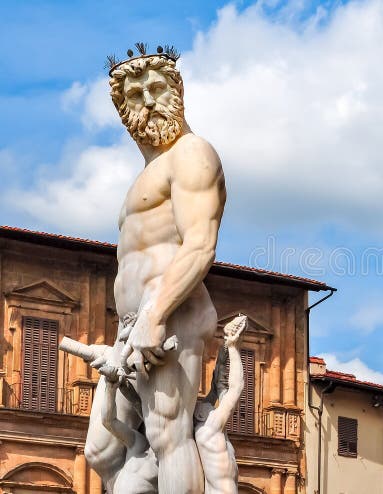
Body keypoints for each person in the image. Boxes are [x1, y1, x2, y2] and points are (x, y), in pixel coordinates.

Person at [84, 47, 227, 493]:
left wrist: (156, 313)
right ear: (122, 109)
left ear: (177, 90)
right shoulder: (145, 174)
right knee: (103, 450)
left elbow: (201, 243)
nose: (146, 99)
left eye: (155, 87)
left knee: (169, 435)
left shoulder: (193, 153)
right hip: (131, 326)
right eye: (134, 94)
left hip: (169, 314)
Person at [194, 315, 247, 494]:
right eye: (205, 404)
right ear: (200, 415)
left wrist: (223, 350)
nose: (211, 403)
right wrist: (233, 347)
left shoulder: (209, 432)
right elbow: (236, 387)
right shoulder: (210, 429)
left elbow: (217, 386)